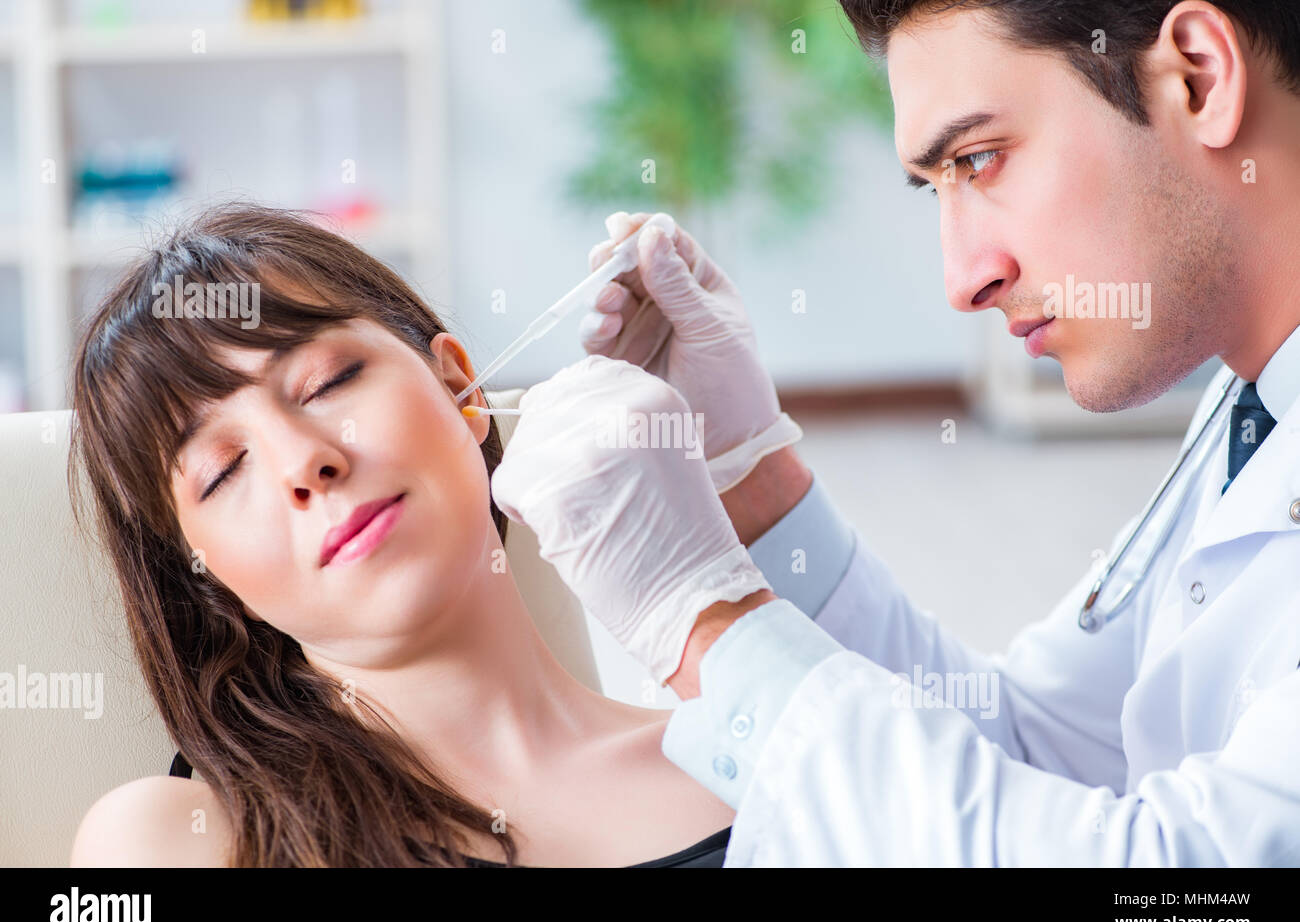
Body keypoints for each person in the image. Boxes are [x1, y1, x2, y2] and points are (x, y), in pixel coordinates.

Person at [490, 0, 1300, 865]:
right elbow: (1035, 743)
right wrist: (750, 476)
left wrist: (701, 622)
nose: (965, 278)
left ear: (1198, 76)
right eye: (938, 185)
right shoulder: (1250, 412)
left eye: (981, 159)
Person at [66, 202, 734, 867]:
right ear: (208, 577)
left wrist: (757, 487)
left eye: (328, 381)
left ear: (457, 386)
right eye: (224, 471)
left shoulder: (759, 756)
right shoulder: (179, 839)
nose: (304, 460)